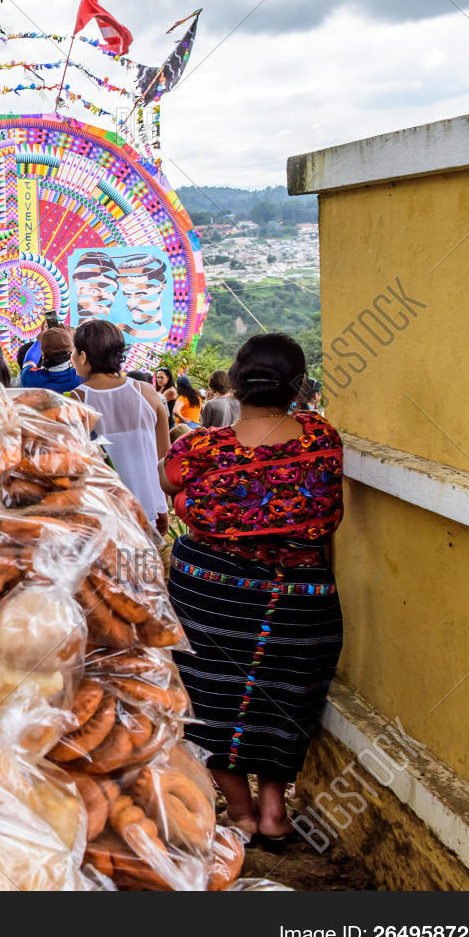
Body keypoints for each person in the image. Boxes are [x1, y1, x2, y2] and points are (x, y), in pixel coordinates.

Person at [159, 333, 344, 847]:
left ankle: (240, 814)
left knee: (210, 697)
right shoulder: (321, 438)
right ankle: (274, 814)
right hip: (298, 599)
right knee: (284, 696)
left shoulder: (199, 447)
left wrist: (199, 499)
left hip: (212, 596)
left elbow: (170, 482)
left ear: (236, 384)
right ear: (298, 387)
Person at [70, 319, 170, 532]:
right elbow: (165, 458)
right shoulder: (147, 392)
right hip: (147, 509)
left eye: (74, 351)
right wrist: (161, 506)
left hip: (104, 514)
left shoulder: (77, 399)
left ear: (83, 356)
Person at [19, 327, 81, 392]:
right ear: (71, 351)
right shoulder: (82, 377)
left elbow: (29, 361)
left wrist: (39, 340)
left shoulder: (29, 378)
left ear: (43, 355)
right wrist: (72, 339)